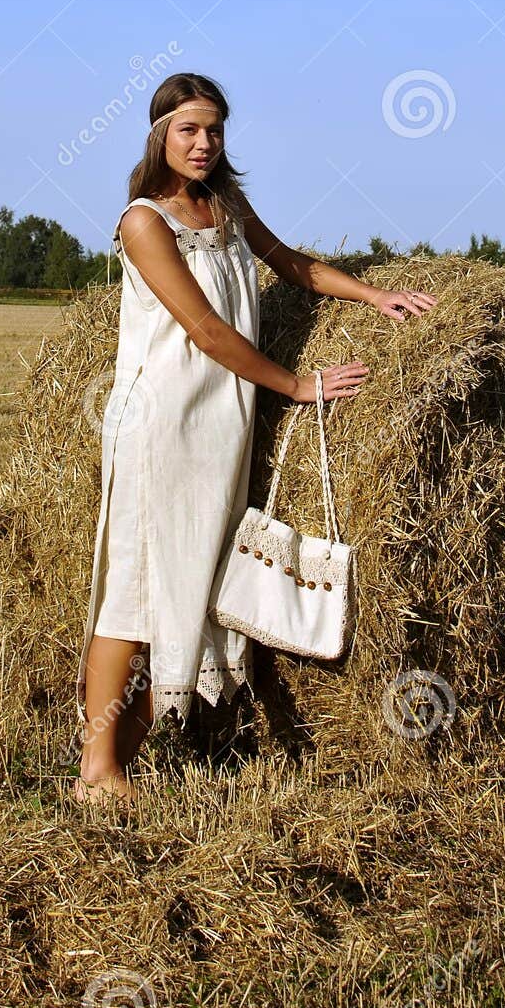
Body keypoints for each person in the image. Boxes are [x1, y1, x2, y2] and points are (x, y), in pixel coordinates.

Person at [72, 72, 437, 805]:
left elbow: (291, 264)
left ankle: (126, 755)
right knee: (138, 587)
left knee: (202, 581)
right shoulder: (144, 221)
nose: (203, 143)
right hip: (162, 423)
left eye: (213, 130)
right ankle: (97, 768)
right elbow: (205, 329)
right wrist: (299, 387)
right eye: (187, 130)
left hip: (223, 422)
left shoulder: (227, 206)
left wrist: (373, 295)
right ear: (158, 136)